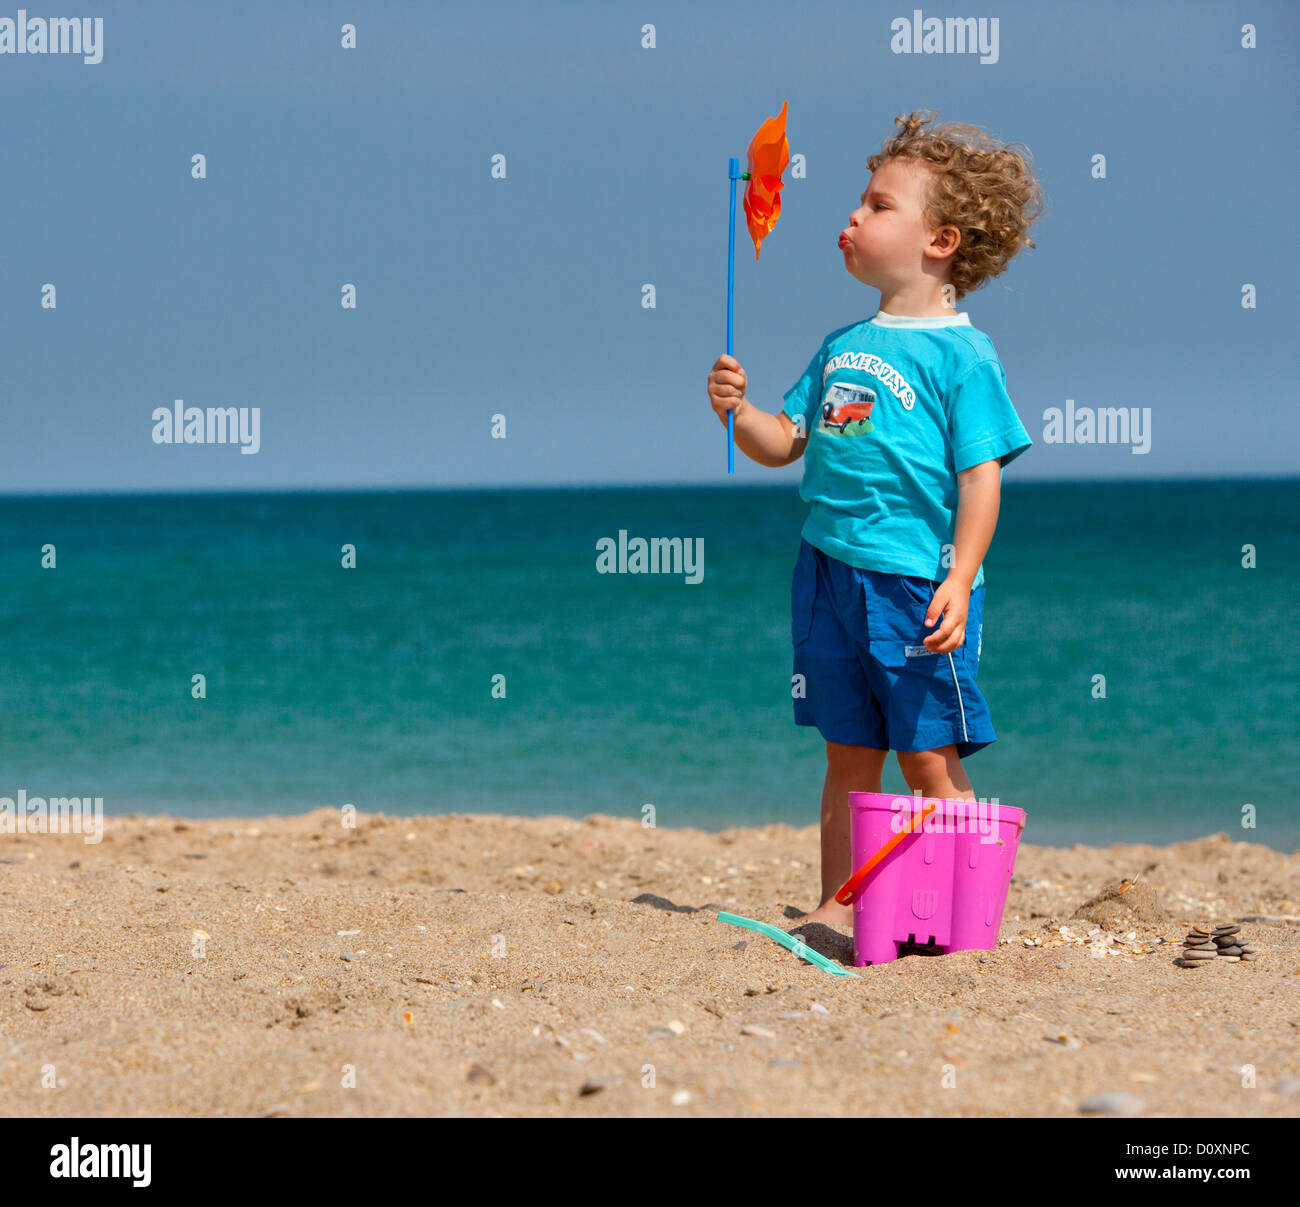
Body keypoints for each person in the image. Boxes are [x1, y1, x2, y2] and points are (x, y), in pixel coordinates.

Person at [706, 110, 1043, 928]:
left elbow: (981, 477)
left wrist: (961, 577)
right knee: (847, 756)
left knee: (929, 751)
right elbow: (783, 443)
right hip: (827, 572)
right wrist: (737, 410)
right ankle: (837, 904)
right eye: (860, 202)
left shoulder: (964, 355)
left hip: (914, 581)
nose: (853, 216)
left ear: (942, 241)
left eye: (878, 204)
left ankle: (964, 914)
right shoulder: (840, 345)